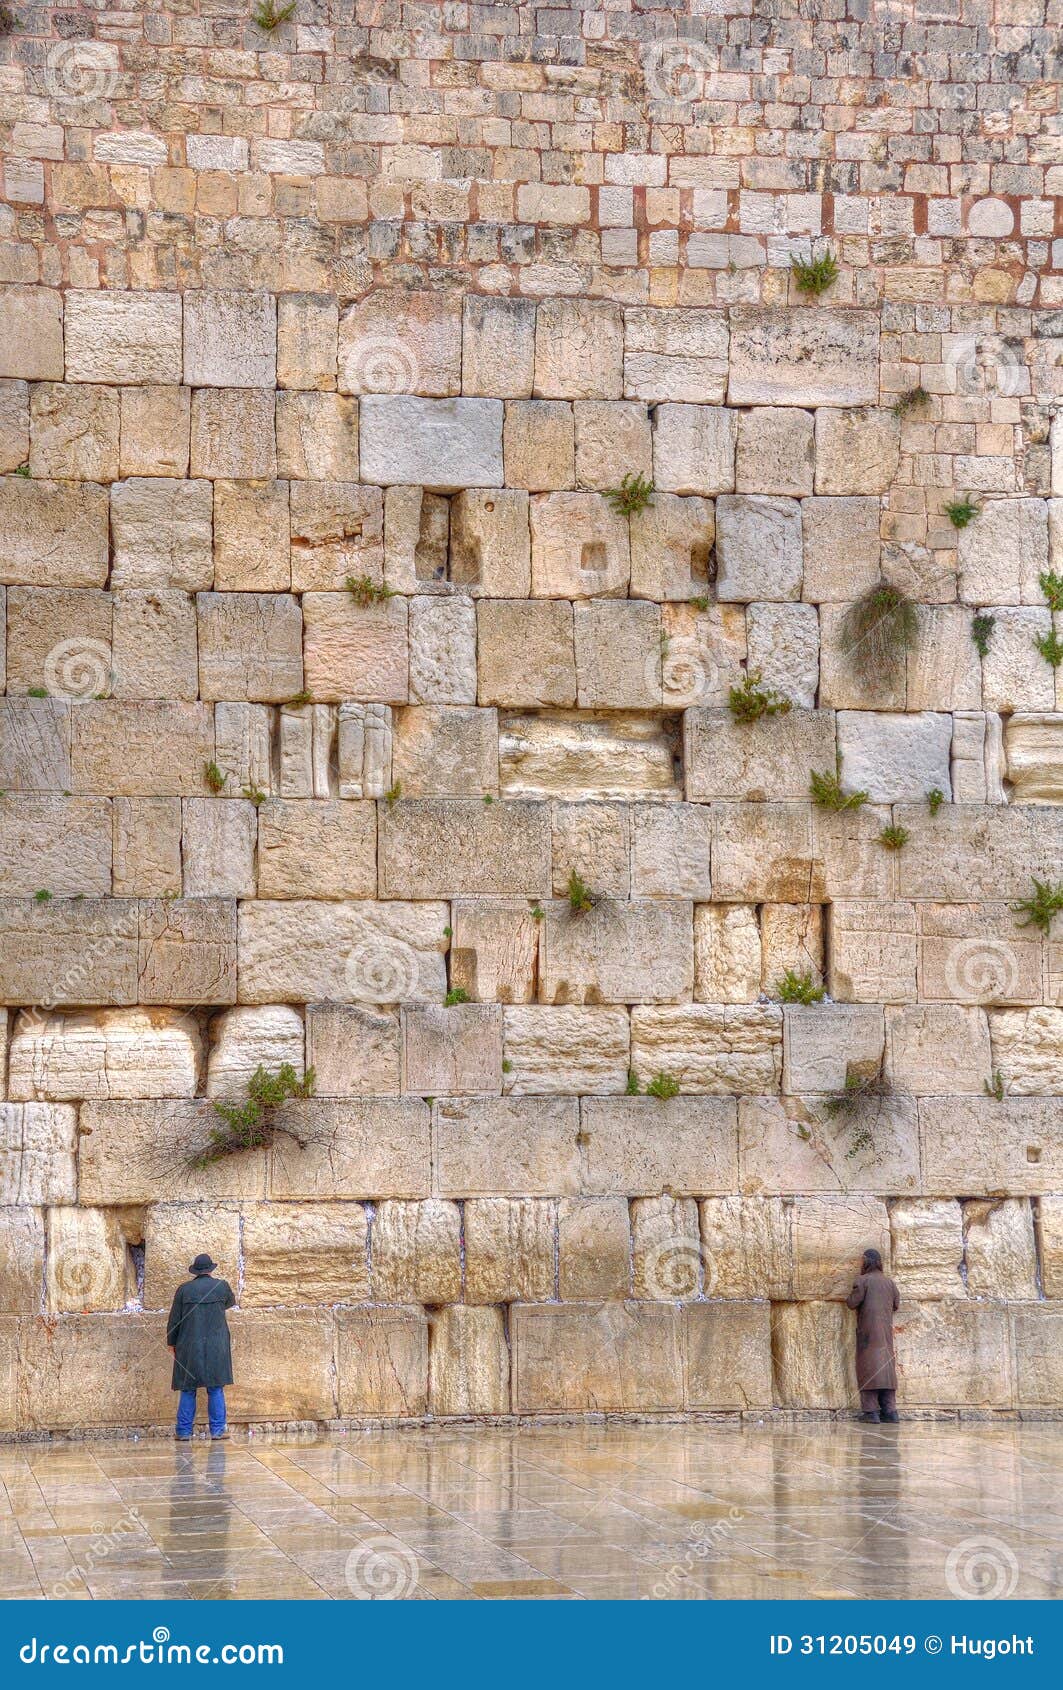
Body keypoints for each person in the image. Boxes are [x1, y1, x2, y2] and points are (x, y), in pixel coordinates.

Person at [166, 1253, 236, 1442]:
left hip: (188, 1345)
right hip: (217, 1345)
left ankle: (183, 1431)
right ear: (210, 1269)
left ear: (195, 1271)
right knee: (215, 1388)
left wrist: (171, 1342)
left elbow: (174, 1320)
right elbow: (230, 1302)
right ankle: (218, 1430)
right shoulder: (222, 1286)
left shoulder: (184, 1290)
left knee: (188, 1389)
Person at [846, 1247, 900, 1423]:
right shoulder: (890, 1283)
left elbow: (852, 1303)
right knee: (886, 1371)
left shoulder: (863, 1281)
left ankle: (871, 1412)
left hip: (868, 1335)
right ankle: (890, 1411)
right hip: (885, 1334)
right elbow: (896, 1304)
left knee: (868, 1368)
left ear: (867, 1262)